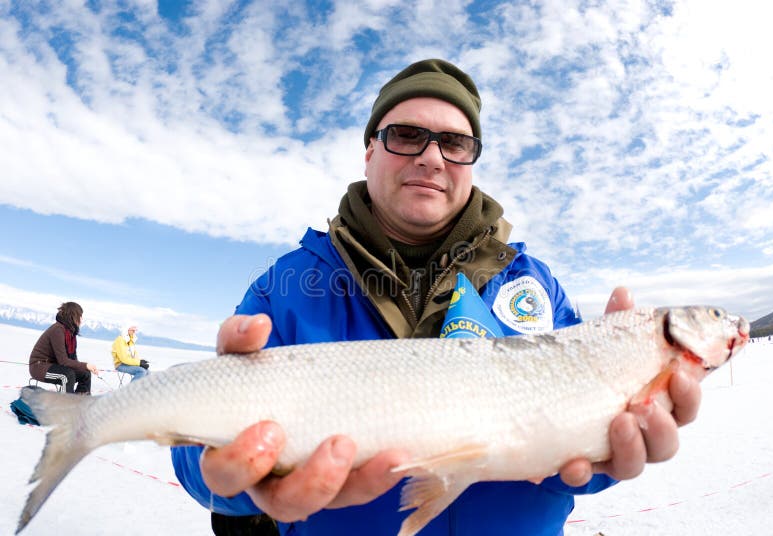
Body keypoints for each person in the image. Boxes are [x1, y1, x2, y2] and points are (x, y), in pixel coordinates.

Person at [171, 59, 703, 535]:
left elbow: (576, 465)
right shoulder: (285, 287)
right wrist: (232, 479)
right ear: (368, 152)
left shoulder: (537, 286)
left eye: (454, 143)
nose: (432, 158)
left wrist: (609, 454)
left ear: (471, 161)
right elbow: (198, 459)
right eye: (406, 135)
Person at [29, 301, 98, 394]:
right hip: (39, 367)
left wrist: (84, 368)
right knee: (67, 375)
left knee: (85, 373)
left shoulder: (71, 333)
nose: (81, 319)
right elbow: (63, 361)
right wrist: (86, 365)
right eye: (80, 316)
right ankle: (67, 405)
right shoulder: (57, 330)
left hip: (54, 366)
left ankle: (82, 403)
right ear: (73, 316)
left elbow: (72, 359)